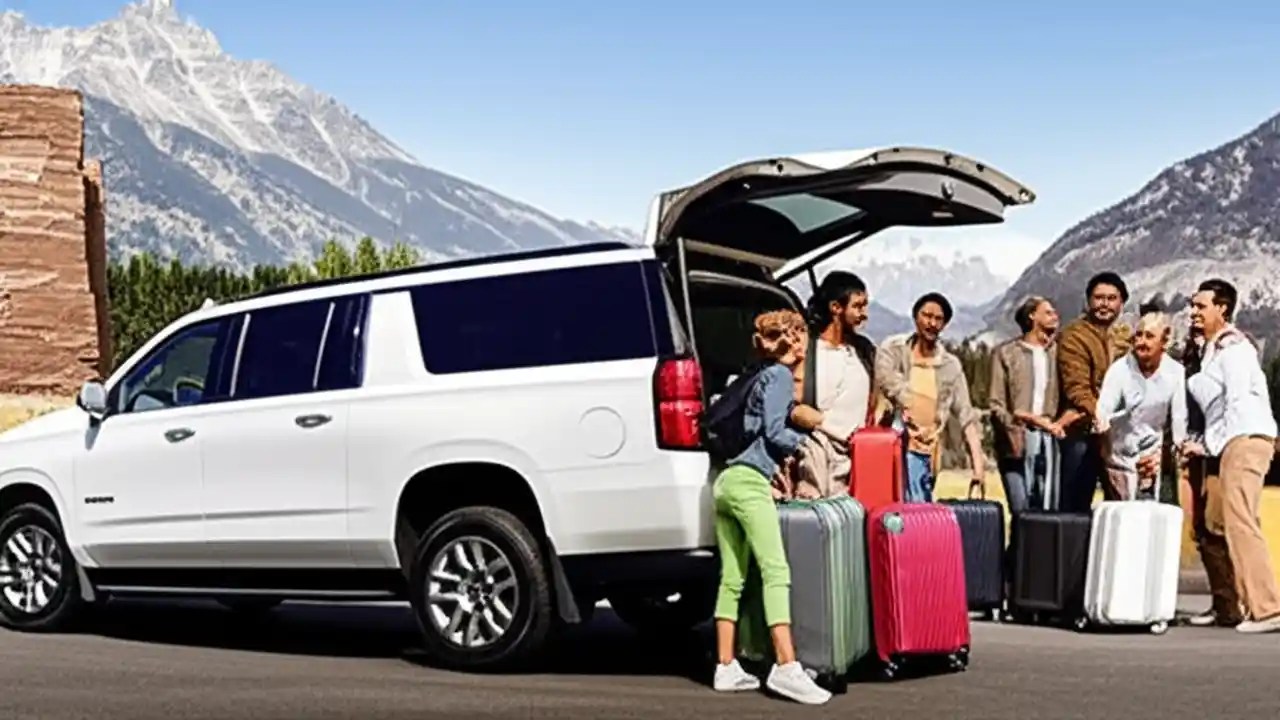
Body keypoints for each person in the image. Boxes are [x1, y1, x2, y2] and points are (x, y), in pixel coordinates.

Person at [711, 309, 832, 703]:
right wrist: (809, 437)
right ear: (794, 340)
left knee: (733, 577)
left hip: (727, 482)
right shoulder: (779, 376)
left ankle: (726, 667)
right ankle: (786, 667)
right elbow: (775, 432)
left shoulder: (755, 374)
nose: (805, 343)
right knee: (775, 571)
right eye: (801, 335)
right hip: (747, 485)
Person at [1181, 279, 1280, 634]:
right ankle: (1243, 604)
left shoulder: (1235, 349)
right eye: (1192, 306)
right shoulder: (1211, 350)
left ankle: (1267, 609)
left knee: (1241, 522)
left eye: (1201, 306)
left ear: (1222, 308)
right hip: (1231, 441)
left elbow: (1237, 402)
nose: (1194, 312)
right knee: (1228, 523)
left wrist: (1209, 445)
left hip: (1245, 438)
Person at [875, 292, 986, 503]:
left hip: (927, 451)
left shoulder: (950, 366)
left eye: (939, 319)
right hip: (891, 446)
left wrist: (978, 467)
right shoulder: (894, 350)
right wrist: (907, 404)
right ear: (916, 316)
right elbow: (886, 380)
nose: (932, 323)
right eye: (927, 316)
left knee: (919, 512)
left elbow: (966, 415)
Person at [1180, 325, 1244, 628]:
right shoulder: (1192, 362)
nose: (1195, 339)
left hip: (1218, 450)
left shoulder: (1229, 353)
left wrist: (1208, 444)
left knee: (1215, 526)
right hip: (1195, 449)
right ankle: (1221, 602)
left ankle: (1232, 604)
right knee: (1201, 529)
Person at [1092, 304, 1188, 501]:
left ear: (1164, 341)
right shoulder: (1120, 370)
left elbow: (1179, 418)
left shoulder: (1175, 372)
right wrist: (1102, 422)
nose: (1142, 342)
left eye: (1149, 336)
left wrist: (1175, 450)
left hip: (1151, 454)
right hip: (1119, 453)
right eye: (1139, 335)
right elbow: (1104, 407)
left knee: (1149, 511)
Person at [1057, 271, 1128, 512]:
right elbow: (1077, 389)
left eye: (1111, 298)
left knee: (1121, 505)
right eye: (1098, 298)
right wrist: (1103, 415)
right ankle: (1073, 550)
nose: (1104, 304)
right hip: (1082, 434)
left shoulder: (1123, 338)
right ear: (1088, 301)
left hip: (1116, 435)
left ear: (1121, 303)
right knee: (1075, 506)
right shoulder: (1074, 336)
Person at [988, 296, 1066, 515]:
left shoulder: (1058, 353)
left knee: (1048, 509)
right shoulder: (1006, 354)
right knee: (1020, 509)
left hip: (1050, 440)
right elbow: (996, 403)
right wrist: (1016, 423)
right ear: (1032, 316)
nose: (1055, 316)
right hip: (1016, 441)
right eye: (1048, 312)